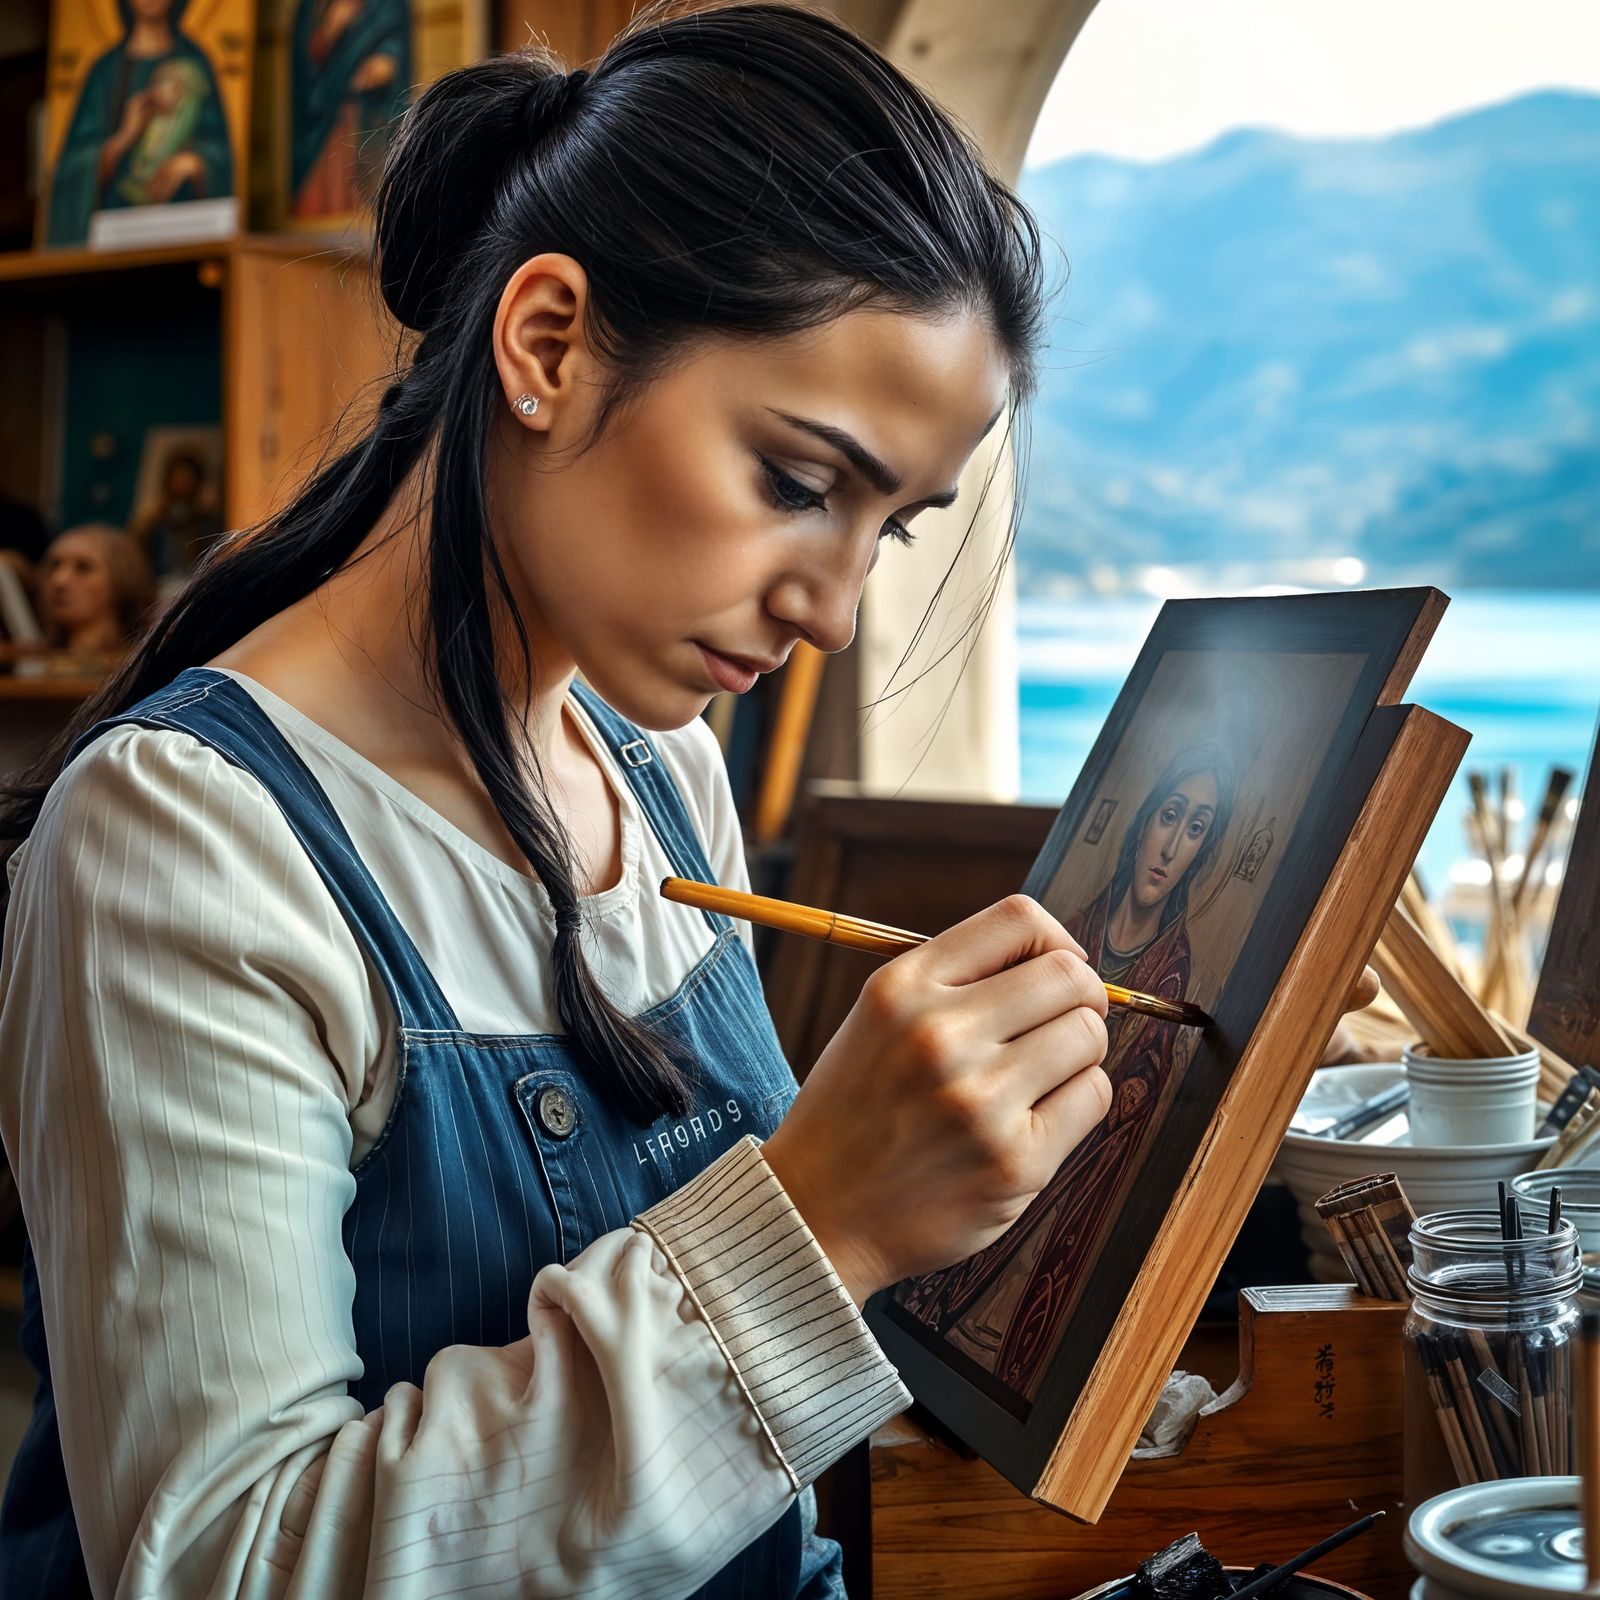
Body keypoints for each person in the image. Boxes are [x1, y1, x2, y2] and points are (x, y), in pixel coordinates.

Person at [0, 7, 1117, 1596]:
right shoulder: (182, 841)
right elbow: (224, 1565)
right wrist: (822, 1224)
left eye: (895, 528)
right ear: (547, 345)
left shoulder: (658, 772)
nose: (835, 611)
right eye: (799, 483)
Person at [897, 744, 1241, 1396]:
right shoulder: (1063, 932)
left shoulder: (1174, 979)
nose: (1172, 846)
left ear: (1205, 853)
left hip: (1059, 1238)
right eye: (1171, 815)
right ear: (1143, 822)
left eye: (1197, 829)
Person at [44, 0, 233, 247]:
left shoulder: (197, 63)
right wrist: (124, 137)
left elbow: (222, 150)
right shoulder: (104, 71)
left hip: (186, 233)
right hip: (111, 239)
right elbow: (70, 168)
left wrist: (192, 163)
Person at [37, 523, 156, 664]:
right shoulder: (27, 658)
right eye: (54, 565)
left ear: (122, 580)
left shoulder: (145, 666)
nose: (59, 580)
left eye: (83, 567)